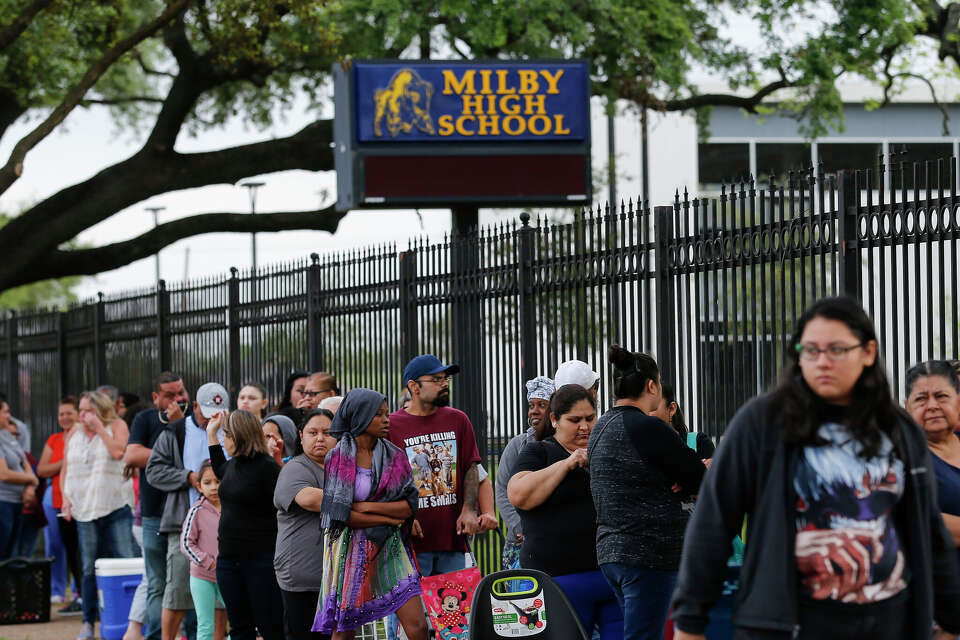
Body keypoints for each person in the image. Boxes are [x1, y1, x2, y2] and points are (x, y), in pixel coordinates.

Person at [672, 297, 960, 640]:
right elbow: (713, 524)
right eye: (811, 350)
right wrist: (689, 623)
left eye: (836, 350)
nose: (822, 362)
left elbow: (928, 531)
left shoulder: (898, 429)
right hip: (791, 624)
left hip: (889, 621)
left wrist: (952, 615)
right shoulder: (762, 424)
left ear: (868, 352)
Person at [588, 346, 705, 640]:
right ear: (652, 386)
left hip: (611, 553)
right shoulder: (648, 427)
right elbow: (699, 478)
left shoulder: (601, 427)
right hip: (648, 554)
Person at [508, 385, 622, 638]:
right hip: (558, 580)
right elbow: (518, 494)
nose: (585, 426)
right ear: (554, 420)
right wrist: (567, 463)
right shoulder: (539, 451)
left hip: (609, 576)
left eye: (590, 418)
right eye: (575, 420)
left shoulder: (606, 451)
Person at [312, 388, 425, 640]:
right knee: (344, 630)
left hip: (389, 546)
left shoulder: (395, 455)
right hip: (348, 550)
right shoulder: (338, 458)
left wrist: (365, 506)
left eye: (386, 414)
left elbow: (409, 506)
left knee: (418, 626)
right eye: (378, 415)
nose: (386, 420)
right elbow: (342, 516)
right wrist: (389, 518)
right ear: (360, 416)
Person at [147, 382, 231, 640]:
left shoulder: (231, 432)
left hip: (225, 522)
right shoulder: (175, 431)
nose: (212, 419)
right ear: (194, 406)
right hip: (185, 521)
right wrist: (188, 476)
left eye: (218, 413)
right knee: (177, 591)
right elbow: (154, 471)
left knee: (221, 599)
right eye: (206, 413)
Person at [388, 355, 481, 571]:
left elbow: (470, 467)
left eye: (445, 379)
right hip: (410, 543)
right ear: (414, 386)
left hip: (454, 539)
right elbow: (387, 478)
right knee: (418, 606)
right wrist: (404, 517)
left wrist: (469, 509)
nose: (444, 384)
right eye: (436, 379)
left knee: (455, 604)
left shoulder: (458, 420)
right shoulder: (392, 425)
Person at [62, 391, 136, 640]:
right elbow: (66, 468)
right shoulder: (74, 433)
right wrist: (65, 498)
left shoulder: (117, 425)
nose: (81, 416)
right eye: (80, 411)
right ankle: (88, 622)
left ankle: (134, 621)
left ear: (100, 410)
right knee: (87, 567)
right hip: (85, 509)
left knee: (126, 559)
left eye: (86, 411)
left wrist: (101, 431)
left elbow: (119, 453)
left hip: (116, 505)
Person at [207, 409, 285, 640]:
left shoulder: (267, 467)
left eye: (226, 435)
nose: (224, 440)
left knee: (270, 625)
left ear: (239, 435)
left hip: (260, 561)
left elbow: (283, 506)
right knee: (239, 627)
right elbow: (220, 468)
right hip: (229, 561)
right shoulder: (233, 466)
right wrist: (211, 434)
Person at [125, 372, 191, 640]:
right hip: (153, 513)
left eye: (181, 392)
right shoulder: (145, 419)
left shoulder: (194, 420)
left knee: (192, 582)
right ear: (156, 397)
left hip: (188, 514)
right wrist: (170, 449)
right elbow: (132, 454)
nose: (178, 399)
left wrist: (180, 428)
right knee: (157, 584)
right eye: (170, 395)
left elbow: (200, 456)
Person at [273, 408, 336, 640]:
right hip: (301, 577)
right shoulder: (295, 468)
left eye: (327, 432)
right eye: (313, 432)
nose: (320, 438)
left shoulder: (340, 469)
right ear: (301, 436)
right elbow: (311, 499)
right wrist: (361, 499)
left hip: (332, 578)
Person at [904, 360, 960, 580]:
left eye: (941, 396)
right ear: (907, 406)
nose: (932, 406)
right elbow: (918, 518)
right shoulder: (902, 456)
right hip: (941, 592)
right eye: (921, 399)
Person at [496, 376, 554, 569]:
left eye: (542, 404)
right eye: (531, 405)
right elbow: (502, 490)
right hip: (518, 543)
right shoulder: (517, 446)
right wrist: (520, 527)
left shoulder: (561, 445)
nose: (534, 411)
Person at [37, 396, 84, 611]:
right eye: (61, 414)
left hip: (79, 502)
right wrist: (64, 462)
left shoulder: (83, 436)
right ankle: (57, 590)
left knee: (78, 548)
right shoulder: (54, 439)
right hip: (55, 500)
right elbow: (42, 469)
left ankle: (78, 591)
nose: (65, 417)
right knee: (55, 546)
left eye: (69, 413)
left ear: (77, 414)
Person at [180, 461, 227, 640]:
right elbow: (186, 543)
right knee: (206, 625)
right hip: (201, 577)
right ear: (199, 487)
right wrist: (208, 561)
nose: (214, 487)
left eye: (218, 481)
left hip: (228, 574)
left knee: (243, 620)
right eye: (208, 483)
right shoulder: (196, 511)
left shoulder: (233, 509)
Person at [0, 396, 36, 559]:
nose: (9, 416)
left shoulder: (7, 435)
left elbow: (25, 462)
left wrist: (30, 487)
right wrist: (32, 480)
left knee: (11, 556)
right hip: (3, 504)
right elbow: (4, 474)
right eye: (6, 412)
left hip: (16, 503)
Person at [652, 384, 715, 462]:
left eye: (653, 407)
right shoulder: (638, 449)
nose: (645, 413)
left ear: (672, 409)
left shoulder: (699, 443)